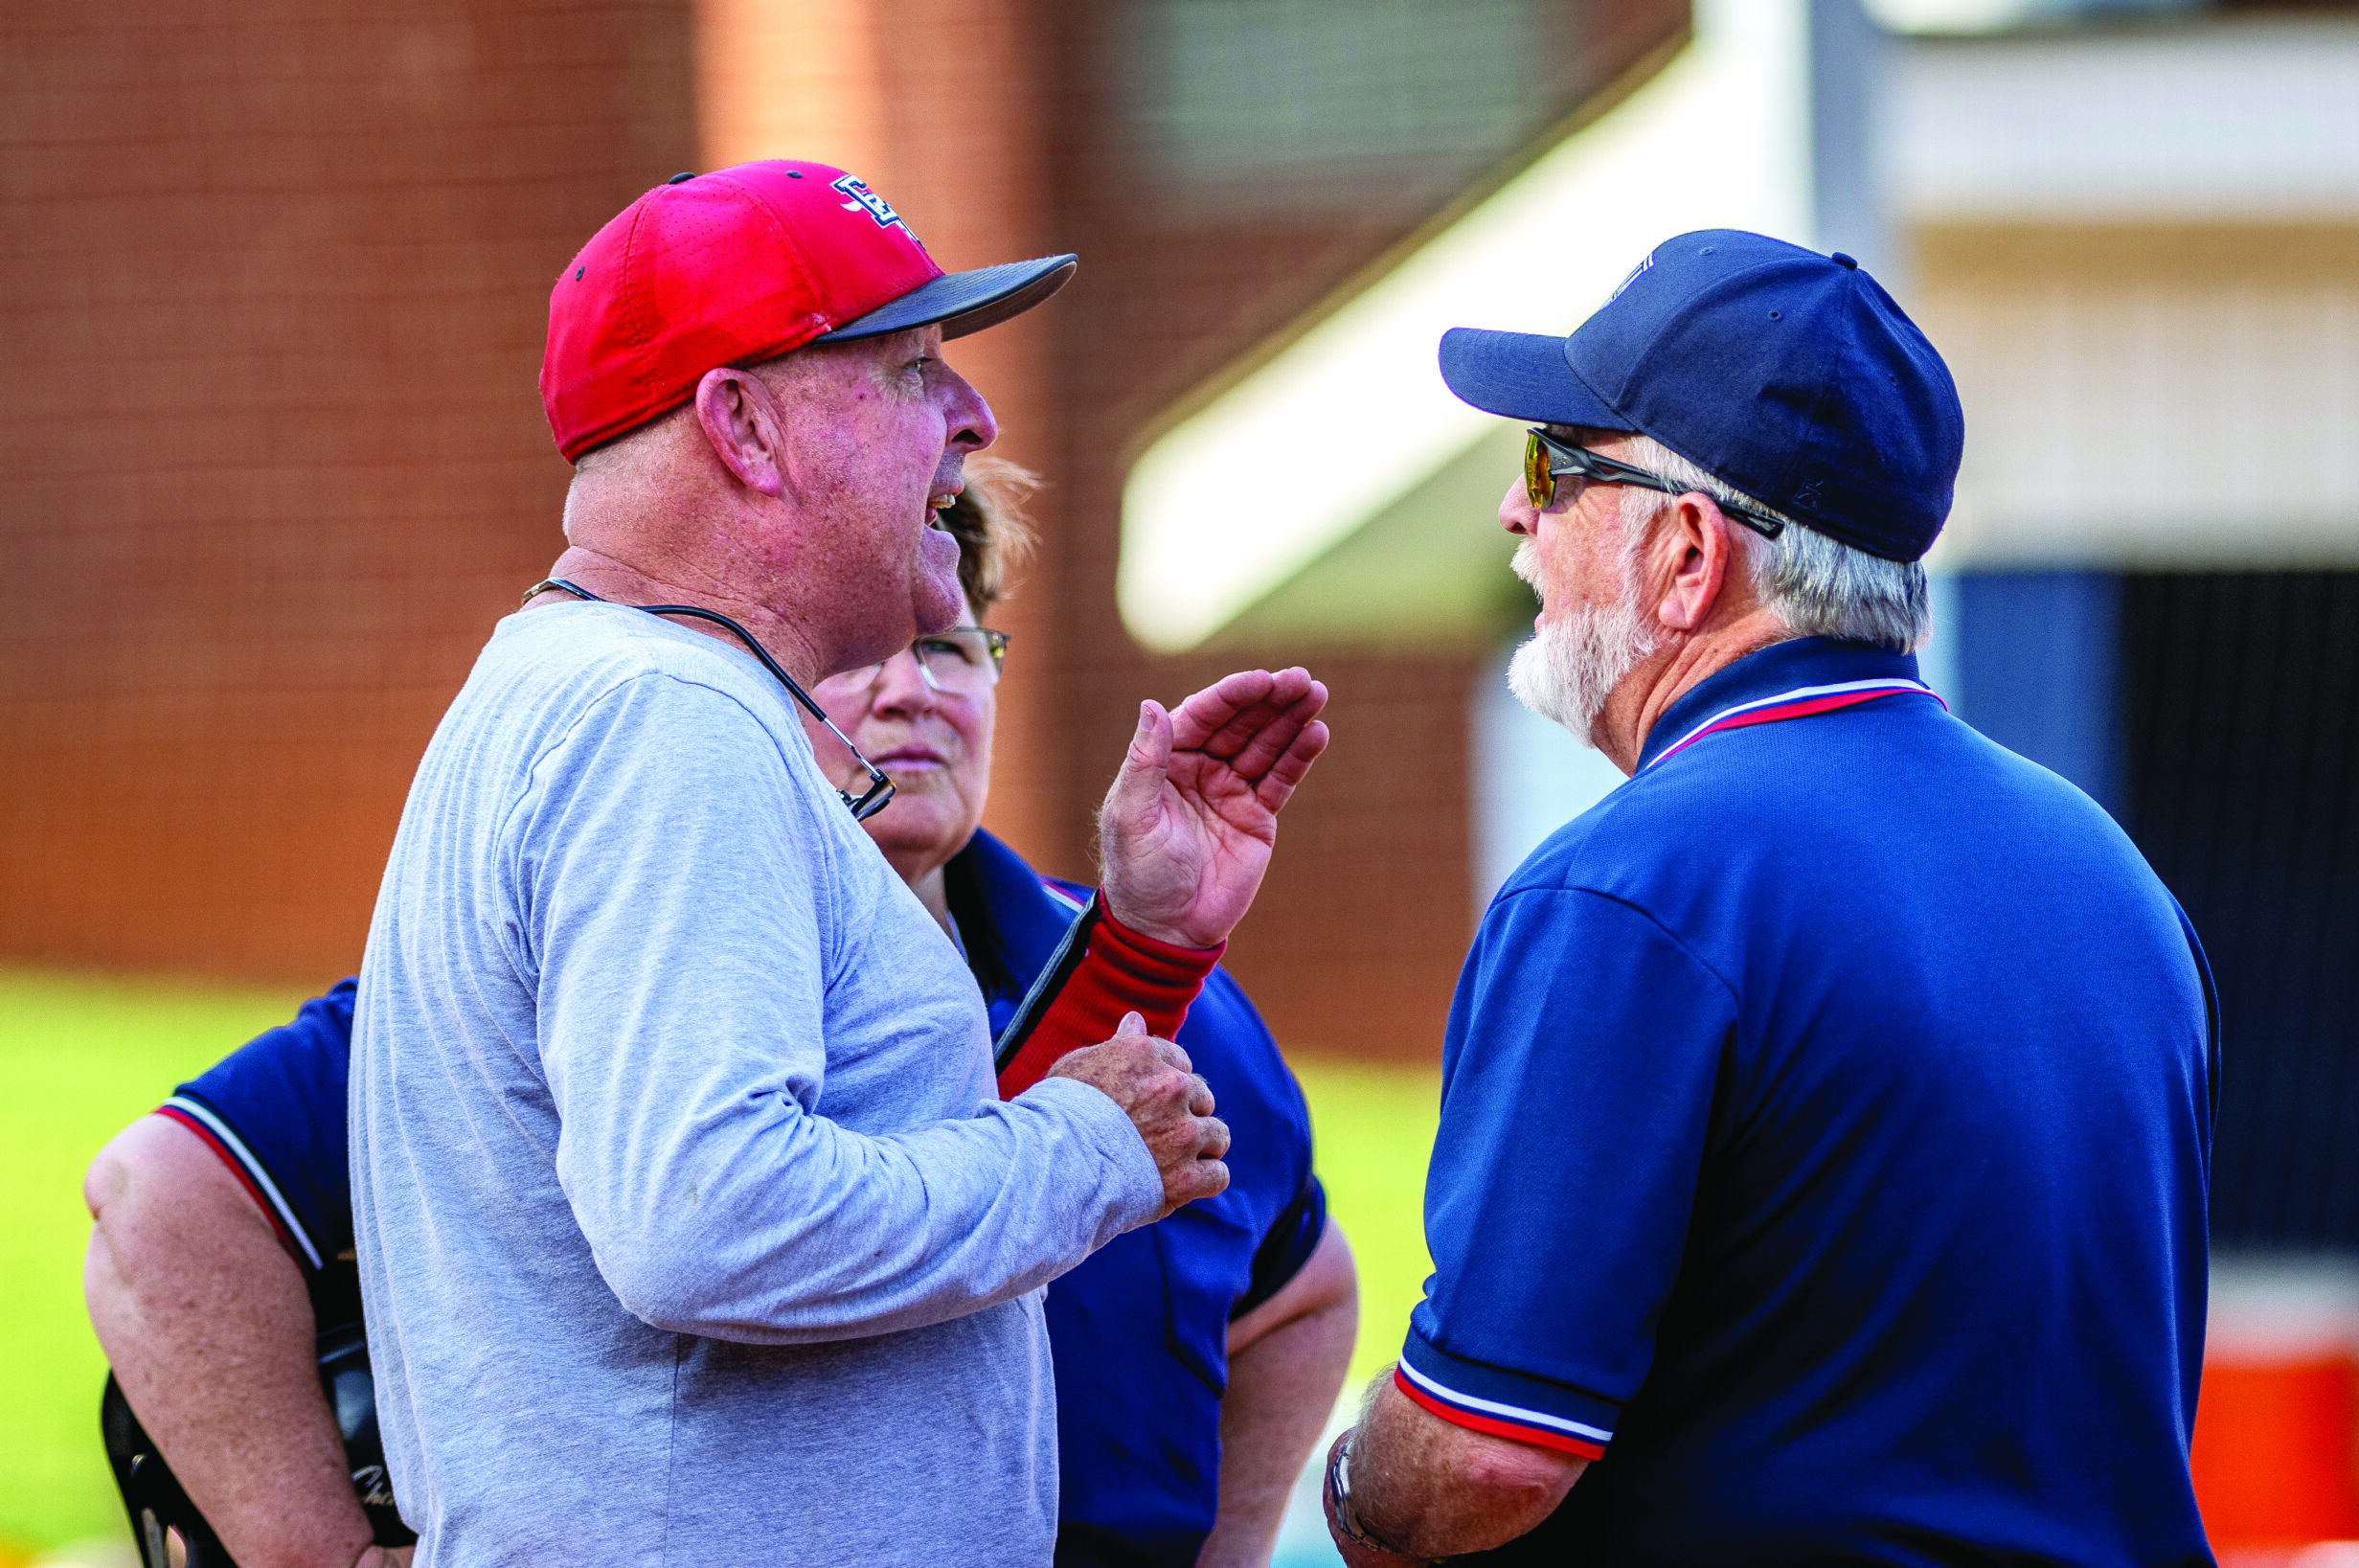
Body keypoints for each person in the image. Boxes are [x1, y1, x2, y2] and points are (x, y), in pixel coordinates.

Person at [83, 467, 1357, 1568]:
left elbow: (1299, 1293)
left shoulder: (1149, 962)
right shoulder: (594, 964)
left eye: (956, 649)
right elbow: (162, 1207)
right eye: (860, 663)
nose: (913, 693)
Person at [361, 159, 1324, 1565]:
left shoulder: (610, 694)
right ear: (744, 425)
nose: (975, 417)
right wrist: (1084, 1151)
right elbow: (706, 1221)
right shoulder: (663, 720)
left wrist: (1139, 946)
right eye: (913, 369)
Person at [1320, 232, 2219, 1565]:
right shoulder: (2111, 874)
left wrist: (1343, 1487)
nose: (1518, 515)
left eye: (1553, 469)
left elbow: (1483, 1453)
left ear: (1687, 554)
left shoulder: (1633, 886)